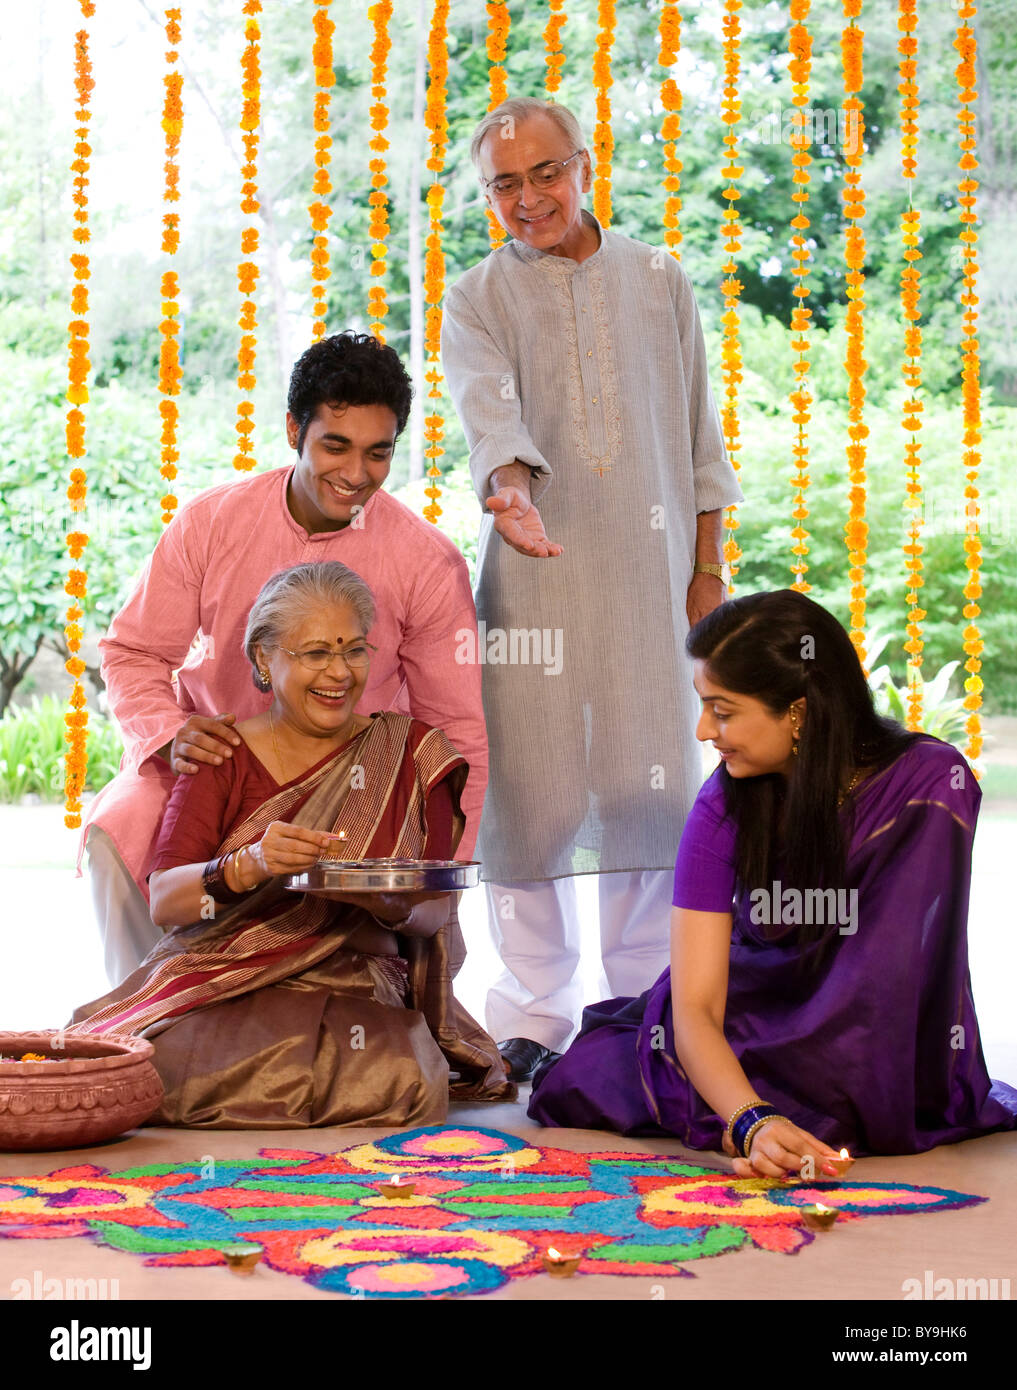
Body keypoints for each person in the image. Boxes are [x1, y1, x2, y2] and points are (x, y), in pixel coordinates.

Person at [441, 96, 743, 1081]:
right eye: (504, 185)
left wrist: (707, 565)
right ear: (485, 195)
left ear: (584, 164)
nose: (528, 199)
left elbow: (700, 433)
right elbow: (488, 410)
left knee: (643, 783)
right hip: (530, 579)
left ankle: (640, 1009)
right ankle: (530, 1017)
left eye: (545, 174)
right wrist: (510, 491)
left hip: (648, 576)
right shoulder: (479, 293)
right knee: (530, 794)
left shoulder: (658, 278)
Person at [528, 590, 1017, 1163]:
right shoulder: (723, 806)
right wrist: (750, 1119)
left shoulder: (930, 787)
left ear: (799, 712)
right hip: (753, 1017)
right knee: (582, 1079)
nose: (703, 731)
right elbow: (697, 1008)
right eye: (703, 706)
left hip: (877, 1032)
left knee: (852, 1096)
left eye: (724, 710)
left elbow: (901, 970)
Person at [82, 331, 487, 987]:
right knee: (116, 832)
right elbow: (132, 653)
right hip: (212, 758)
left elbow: (459, 730)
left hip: (356, 779)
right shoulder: (210, 524)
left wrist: (443, 877)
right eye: (335, 445)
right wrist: (169, 734)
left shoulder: (425, 559)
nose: (356, 474)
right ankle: (146, 1020)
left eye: (377, 453)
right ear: (294, 429)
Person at [70, 562, 513, 1126]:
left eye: (354, 650)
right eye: (315, 654)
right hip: (221, 977)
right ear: (263, 659)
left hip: (353, 984)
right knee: (149, 1065)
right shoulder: (221, 754)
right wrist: (247, 865)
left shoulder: (411, 752)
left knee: (395, 1075)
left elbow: (433, 918)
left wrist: (390, 901)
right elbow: (167, 902)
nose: (340, 673)